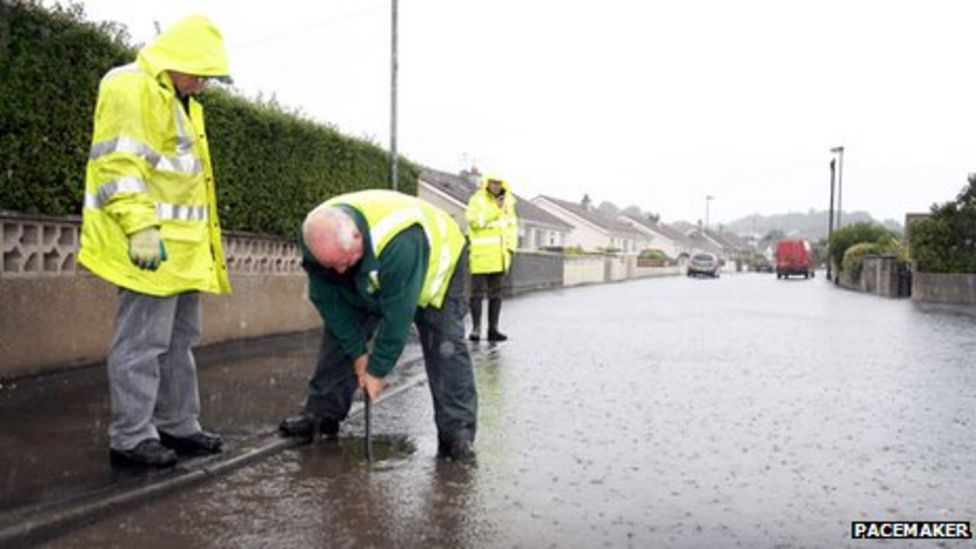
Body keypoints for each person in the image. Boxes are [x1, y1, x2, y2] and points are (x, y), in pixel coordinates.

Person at [78, 15, 233, 468]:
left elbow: (190, 186)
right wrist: (139, 226)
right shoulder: (131, 85)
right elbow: (118, 164)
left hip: (181, 254)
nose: (204, 84)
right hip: (148, 247)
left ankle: (178, 424)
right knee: (141, 345)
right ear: (178, 60)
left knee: (179, 342)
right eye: (201, 73)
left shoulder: (184, 102)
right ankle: (130, 438)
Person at [279, 189, 478, 462]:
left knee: (444, 345)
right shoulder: (318, 240)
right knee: (340, 336)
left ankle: (457, 435)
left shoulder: (400, 242)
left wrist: (377, 370)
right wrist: (358, 353)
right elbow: (328, 302)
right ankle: (321, 416)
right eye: (332, 265)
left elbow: (398, 317)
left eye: (344, 262)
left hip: (438, 269)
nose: (338, 271)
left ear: (357, 237)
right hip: (373, 271)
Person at [464, 174, 518, 342]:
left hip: (500, 256)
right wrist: (495, 209)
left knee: (496, 295)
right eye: (493, 182)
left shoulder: (508, 202)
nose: (495, 185)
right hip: (481, 255)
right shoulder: (477, 199)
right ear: (487, 183)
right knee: (477, 294)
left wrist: (510, 249)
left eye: (499, 182)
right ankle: (476, 329)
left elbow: (512, 227)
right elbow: (473, 221)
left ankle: (493, 329)